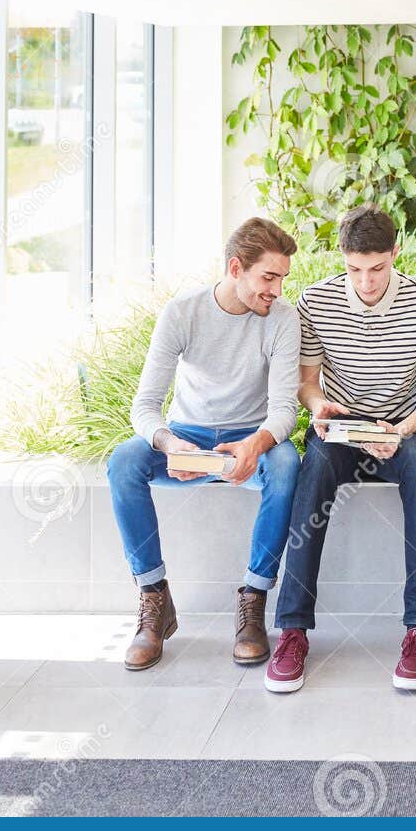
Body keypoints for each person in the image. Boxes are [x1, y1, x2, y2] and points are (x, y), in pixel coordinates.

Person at [265, 205, 416, 695]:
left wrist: (399, 430)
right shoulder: (316, 301)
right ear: (342, 259)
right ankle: (293, 630)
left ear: (395, 254)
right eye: (354, 269)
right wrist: (321, 405)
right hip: (340, 427)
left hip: (403, 425)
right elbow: (306, 385)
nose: (366, 282)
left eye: (377, 268)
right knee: (316, 467)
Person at [107, 217, 302, 671]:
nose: (275, 290)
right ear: (236, 268)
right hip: (187, 433)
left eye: (281, 279)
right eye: (267, 278)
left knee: (287, 464)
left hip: (250, 436)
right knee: (123, 463)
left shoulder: (282, 318)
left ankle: (253, 599)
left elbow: (284, 411)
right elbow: (145, 406)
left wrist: (256, 444)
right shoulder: (183, 312)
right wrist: (170, 442)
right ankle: (154, 597)